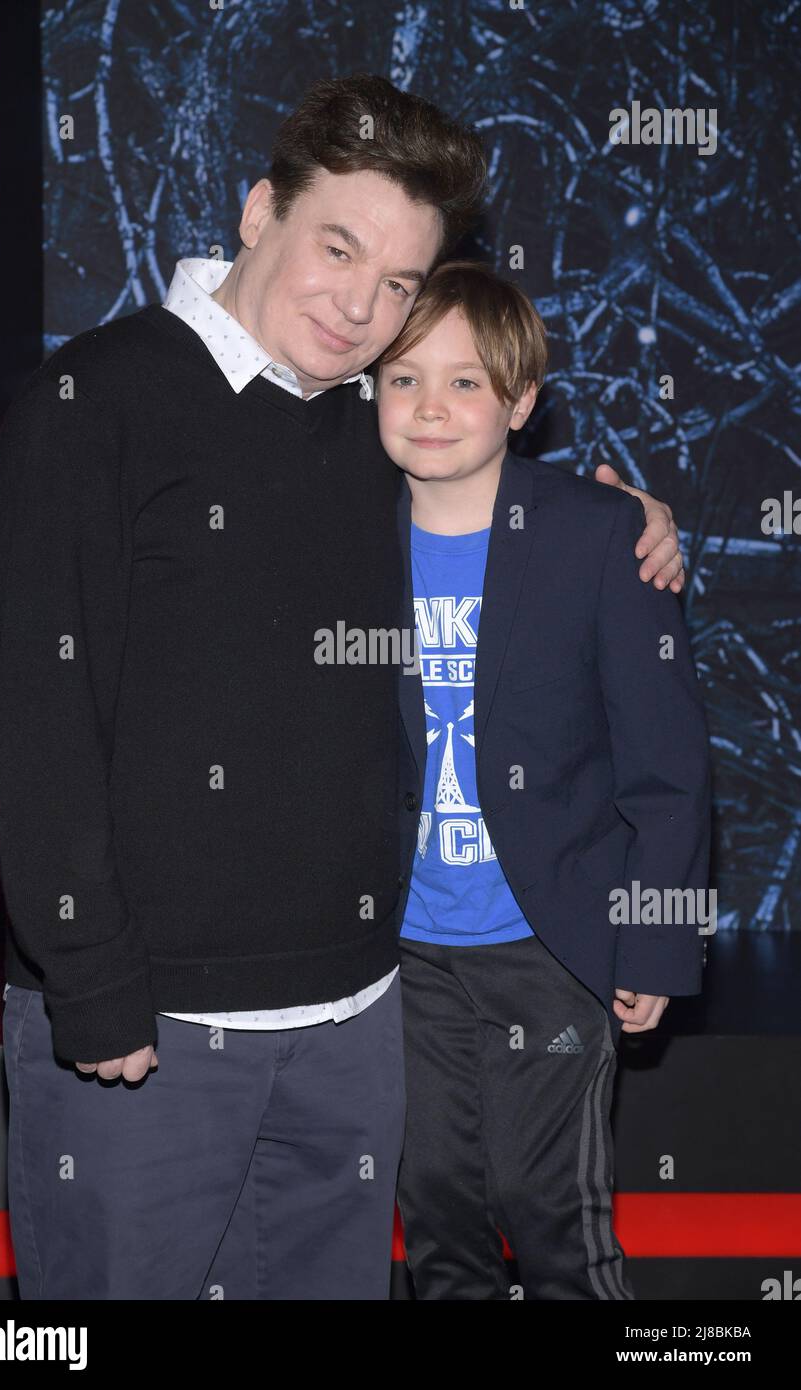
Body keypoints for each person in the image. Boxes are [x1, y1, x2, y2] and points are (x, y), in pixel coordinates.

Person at [0, 74, 687, 1301]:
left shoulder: (375, 424)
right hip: (148, 1032)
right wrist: (89, 980)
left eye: (400, 283)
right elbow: (37, 712)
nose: (361, 306)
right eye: (338, 248)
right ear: (260, 212)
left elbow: (500, 491)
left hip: (361, 1030)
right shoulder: (92, 401)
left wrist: (628, 520)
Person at [375, 260, 711, 1300]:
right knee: (436, 1211)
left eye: (464, 382)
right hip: (400, 957)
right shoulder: (342, 532)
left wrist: (655, 939)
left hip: (553, 945)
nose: (430, 406)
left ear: (521, 401)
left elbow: (667, 765)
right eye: (402, 379)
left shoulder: (597, 535)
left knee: (549, 1211)